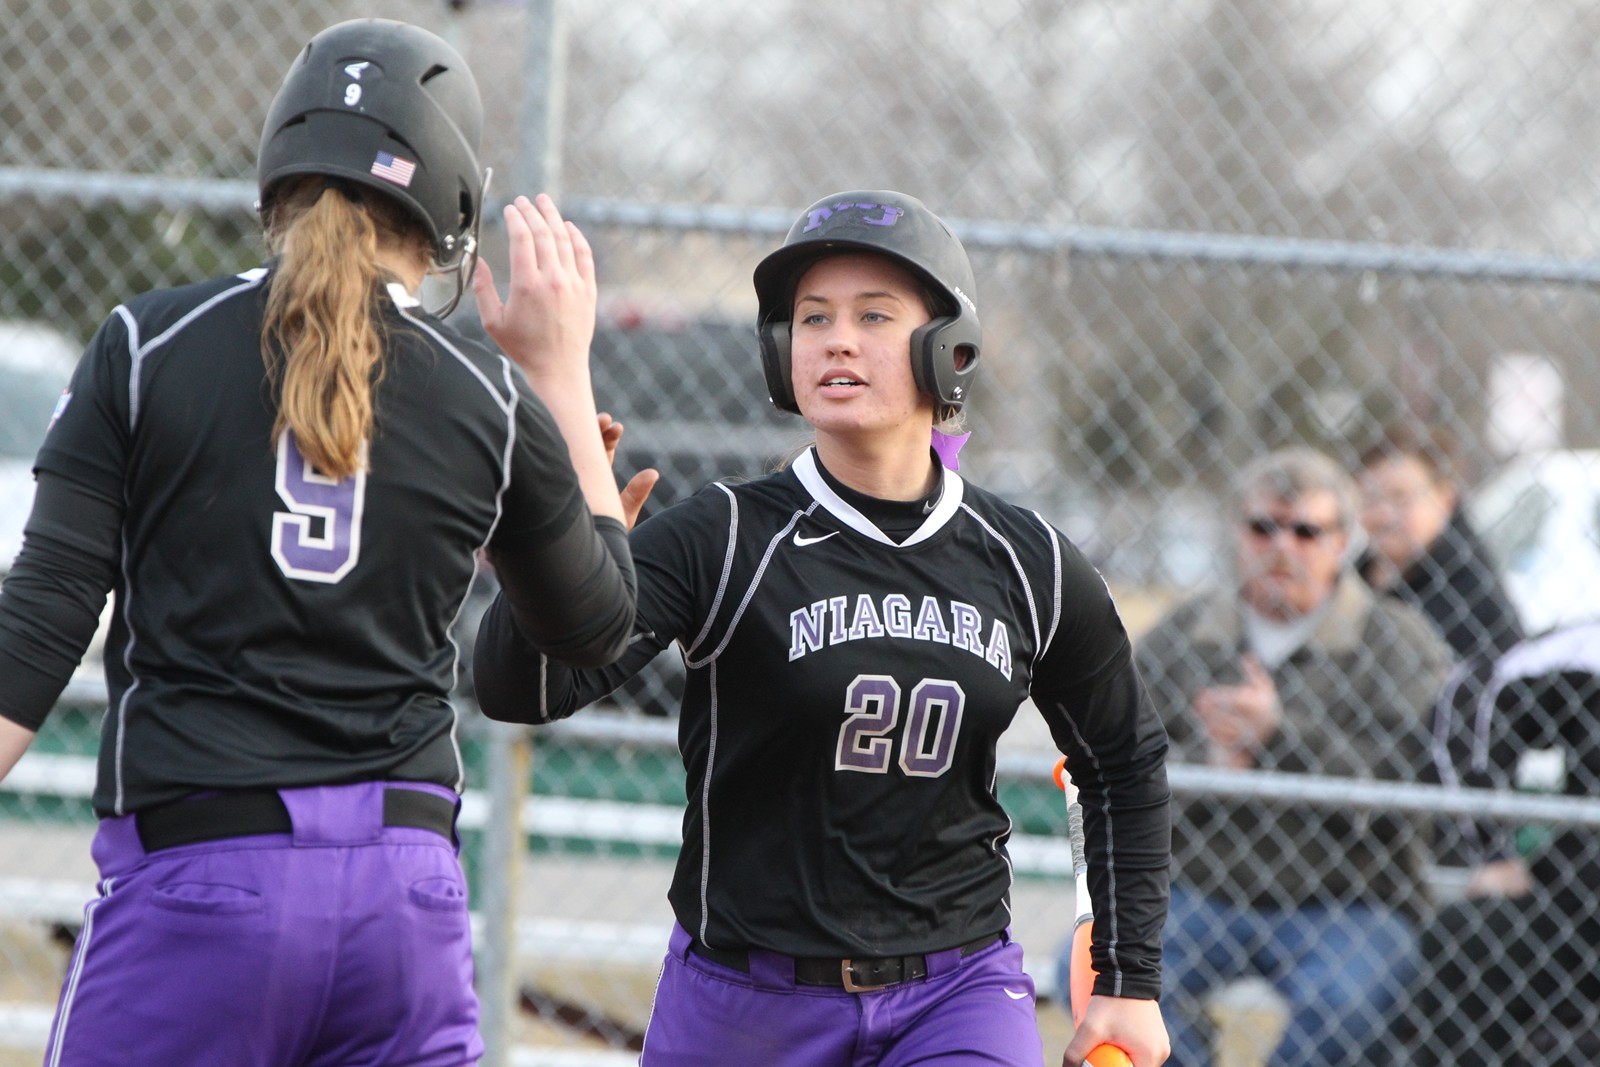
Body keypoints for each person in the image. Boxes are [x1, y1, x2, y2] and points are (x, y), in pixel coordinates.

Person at [0, 19, 636, 1066]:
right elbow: (596, 625)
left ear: (279, 165)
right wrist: (557, 369)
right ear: (449, 200)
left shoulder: (148, 344)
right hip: (402, 903)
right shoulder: (489, 393)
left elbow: (42, 623)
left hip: (202, 885)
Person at [473, 189, 1173, 1067]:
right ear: (781, 353)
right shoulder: (724, 534)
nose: (837, 338)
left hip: (954, 991)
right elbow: (518, 689)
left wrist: (1128, 978)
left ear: (946, 349)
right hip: (743, 996)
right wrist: (558, 555)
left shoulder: (1026, 557)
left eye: (873, 315)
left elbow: (1122, 760)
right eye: (813, 318)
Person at [1127, 447, 1451, 1067]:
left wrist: (1281, 736)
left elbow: (1405, 792)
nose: (1283, 547)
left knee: (1345, 998)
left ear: (1342, 540)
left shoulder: (1396, 641)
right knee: (1091, 967)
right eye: (1262, 527)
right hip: (1199, 890)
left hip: (1349, 900)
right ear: (1236, 533)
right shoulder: (1182, 636)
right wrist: (1210, 763)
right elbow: (1120, 777)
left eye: (1306, 530)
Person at [1406, 620, 1600, 1067]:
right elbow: (1472, 698)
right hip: (1583, 908)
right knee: (1470, 943)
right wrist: (1493, 852)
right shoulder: (1585, 649)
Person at [1356, 421, 1527, 877]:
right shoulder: (1352, 581)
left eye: (1400, 497)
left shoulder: (1474, 598)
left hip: (1437, 807)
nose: (1383, 513)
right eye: (1371, 497)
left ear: (1445, 498)